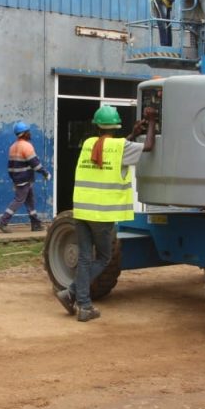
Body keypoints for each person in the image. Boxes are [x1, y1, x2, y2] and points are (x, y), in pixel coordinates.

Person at [56, 105, 152, 322]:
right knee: (104, 257)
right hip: (102, 215)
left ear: (96, 125)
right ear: (116, 126)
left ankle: (73, 295)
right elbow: (148, 146)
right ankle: (81, 302)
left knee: (84, 257)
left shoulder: (89, 144)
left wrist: (133, 134)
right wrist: (152, 121)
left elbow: (112, 149)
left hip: (82, 210)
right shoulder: (120, 146)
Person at [0, 121, 51, 233]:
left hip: (20, 179)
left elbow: (10, 167)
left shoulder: (13, 147)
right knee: (19, 200)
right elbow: (35, 164)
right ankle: (2, 221)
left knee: (30, 201)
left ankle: (36, 224)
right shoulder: (27, 146)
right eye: (28, 131)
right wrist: (45, 173)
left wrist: (14, 179)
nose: (30, 133)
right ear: (24, 133)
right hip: (25, 179)